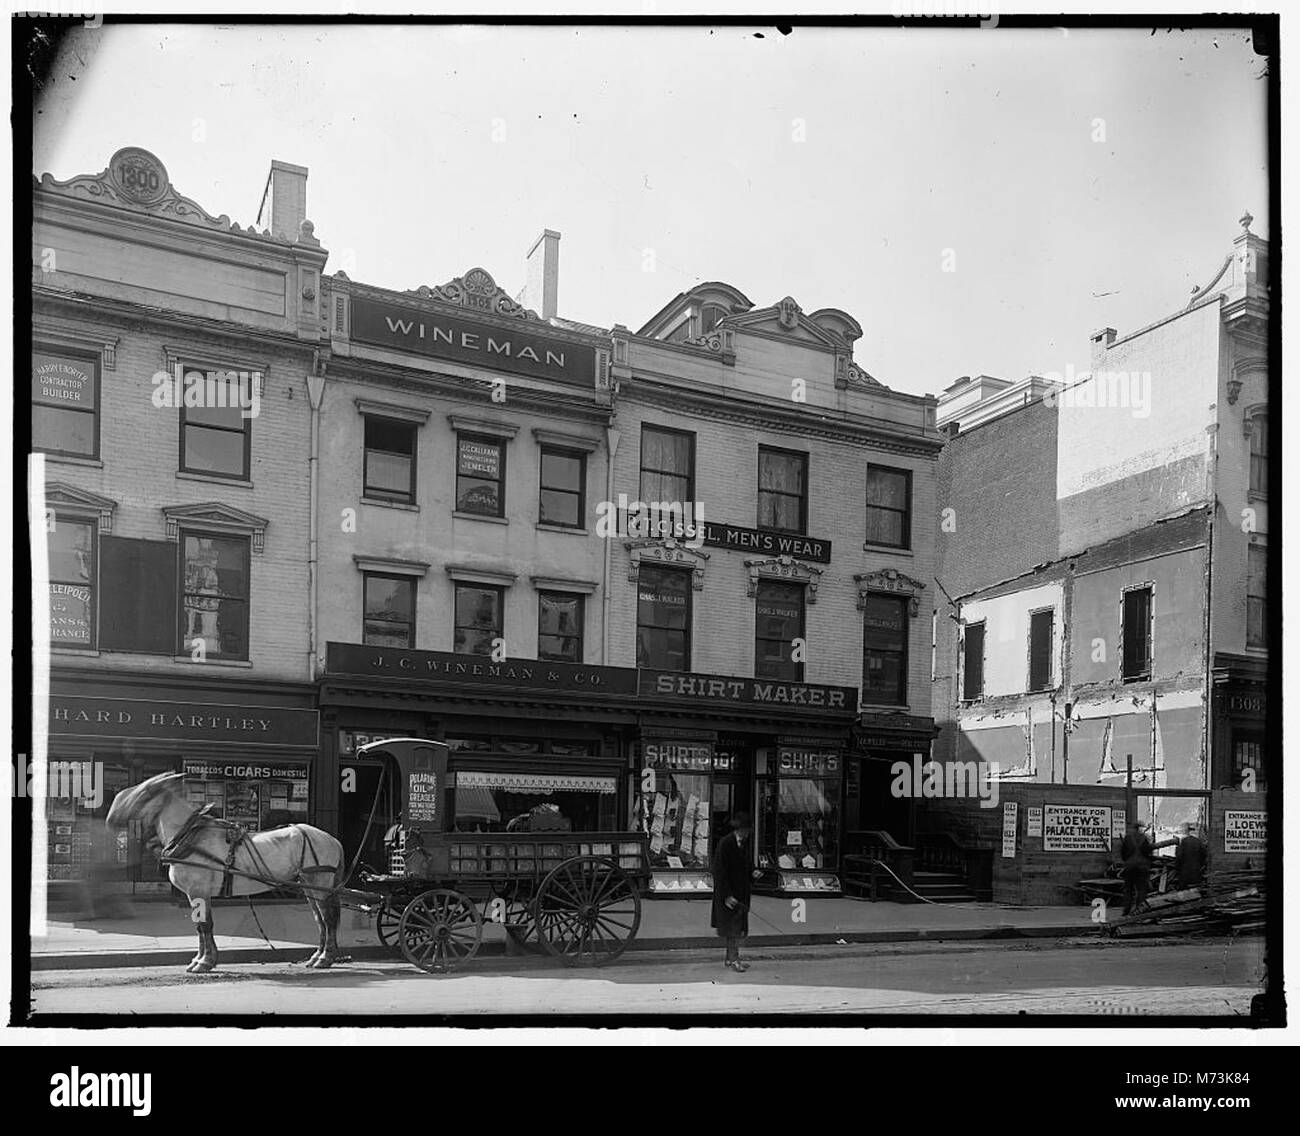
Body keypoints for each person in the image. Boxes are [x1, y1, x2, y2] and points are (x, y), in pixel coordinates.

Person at [711, 811, 753, 972]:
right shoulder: (726, 843)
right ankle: (734, 959)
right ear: (740, 830)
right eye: (746, 830)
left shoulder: (742, 843)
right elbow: (720, 871)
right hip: (728, 894)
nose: (747, 834)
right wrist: (727, 895)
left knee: (734, 928)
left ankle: (730, 958)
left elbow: (745, 866)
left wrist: (752, 873)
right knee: (734, 928)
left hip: (740, 892)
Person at [1119, 820, 1154, 915]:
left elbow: (1123, 853)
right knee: (1141, 889)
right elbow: (1148, 853)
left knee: (1128, 889)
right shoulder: (1145, 839)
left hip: (1130, 867)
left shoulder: (1128, 838)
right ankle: (1139, 909)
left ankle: (1126, 910)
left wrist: (1127, 861)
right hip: (1142, 868)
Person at [1174, 822, 1208, 890]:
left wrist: (1177, 866)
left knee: (1183, 891)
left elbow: (1179, 856)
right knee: (1195, 890)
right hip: (1196, 871)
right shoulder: (1199, 842)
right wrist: (1201, 865)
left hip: (1185, 872)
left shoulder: (1184, 841)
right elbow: (1205, 855)